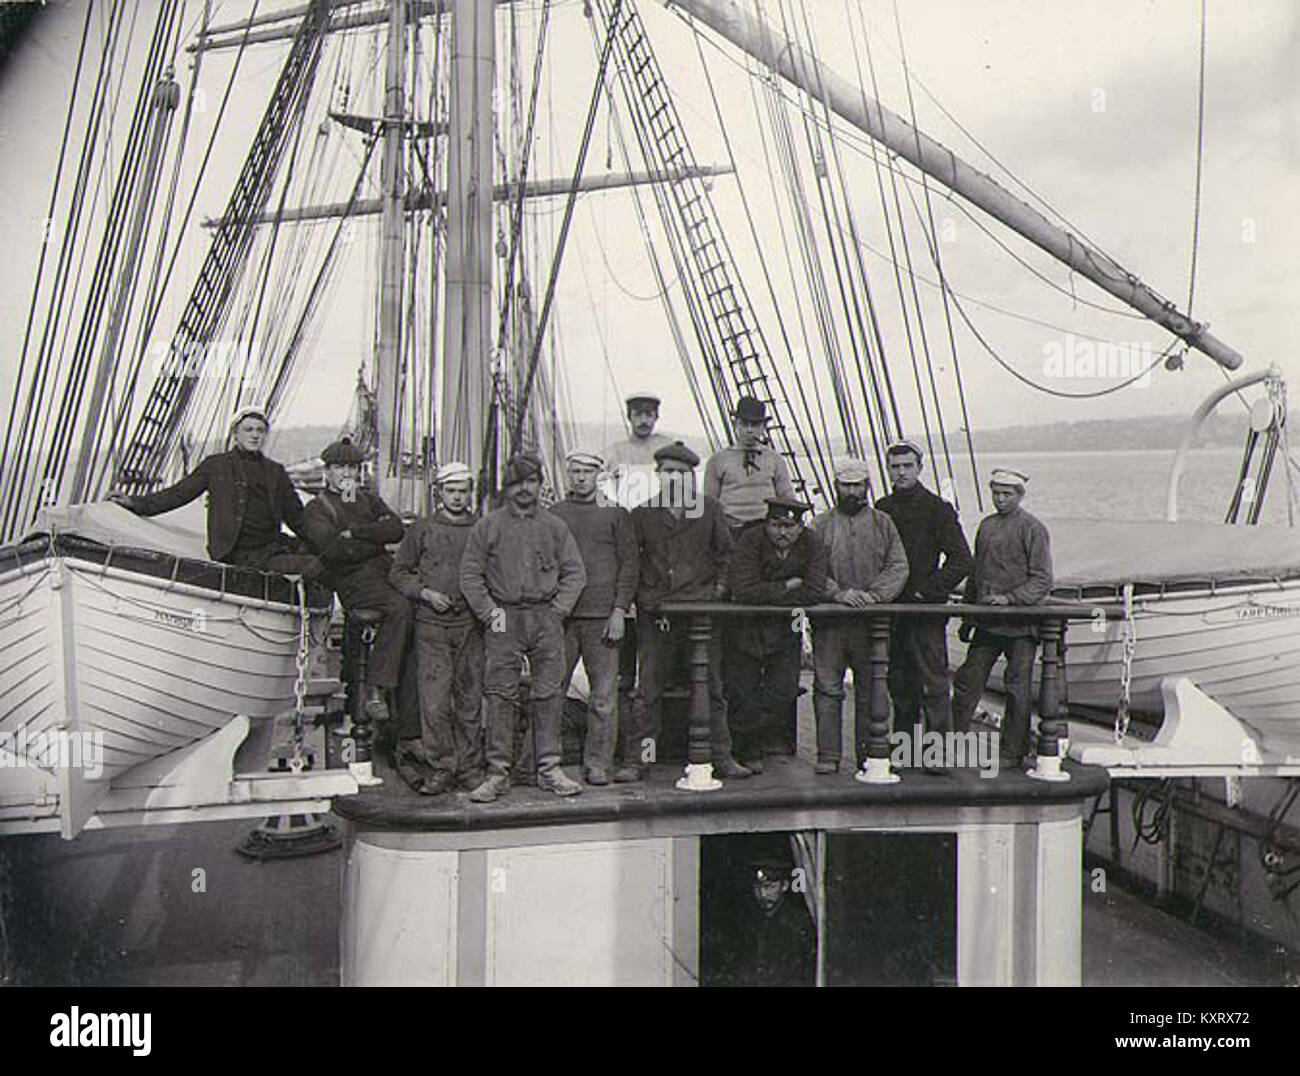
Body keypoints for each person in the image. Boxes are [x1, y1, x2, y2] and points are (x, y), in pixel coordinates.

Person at [459, 452, 587, 803]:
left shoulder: (555, 527)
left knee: (548, 694)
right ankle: (497, 773)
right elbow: (471, 575)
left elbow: (575, 572)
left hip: (545, 617)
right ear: (507, 487)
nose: (524, 490)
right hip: (504, 617)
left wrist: (558, 611)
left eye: (530, 482)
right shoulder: (488, 526)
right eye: (516, 483)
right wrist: (490, 613)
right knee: (501, 695)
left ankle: (549, 769)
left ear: (540, 484)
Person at [621, 440, 751, 782]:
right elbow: (633, 564)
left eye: (681, 473)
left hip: (701, 615)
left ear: (691, 477)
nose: (675, 479)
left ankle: (721, 757)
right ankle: (640, 759)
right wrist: (646, 600)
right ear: (658, 476)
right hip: (658, 615)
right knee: (648, 689)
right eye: (668, 473)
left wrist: (717, 594)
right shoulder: (642, 514)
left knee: (711, 687)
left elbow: (727, 557)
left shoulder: (708, 510)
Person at [108, 405, 315, 572]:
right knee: (315, 567)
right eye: (248, 430)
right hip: (236, 552)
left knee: (327, 561)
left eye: (260, 431)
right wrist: (135, 502)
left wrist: (328, 542)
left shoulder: (275, 472)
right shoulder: (216, 466)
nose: (255, 435)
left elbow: (297, 519)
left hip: (271, 549)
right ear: (235, 434)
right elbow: (178, 494)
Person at [875, 439, 973, 774]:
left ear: (919, 468)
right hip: (890, 609)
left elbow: (961, 560)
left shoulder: (937, 509)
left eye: (907, 466)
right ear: (888, 470)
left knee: (933, 683)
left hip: (925, 611)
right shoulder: (882, 508)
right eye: (895, 467)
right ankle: (904, 750)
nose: (901, 472)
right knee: (899, 683)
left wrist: (927, 591)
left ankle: (937, 754)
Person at [388, 462, 484, 796]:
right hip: (431, 626)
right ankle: (443, 766)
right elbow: (399, 573)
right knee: (434, 702)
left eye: (463, 491)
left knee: (470, 701)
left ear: (470, 492)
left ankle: (470, 768)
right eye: (451, 491)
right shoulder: (422, 530)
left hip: (471, 626)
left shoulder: (482, 529)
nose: (457, 497)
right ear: (439, 492)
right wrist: (425, 593)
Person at [299, 437, 410, 722]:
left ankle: (405, 720)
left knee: (417, 607)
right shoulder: (317, 509)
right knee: (399, 608)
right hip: (352, 581)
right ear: (328, 471)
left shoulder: (367, 499)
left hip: (382, 573)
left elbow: (396, 529)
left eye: (352, 468)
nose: (347, 474)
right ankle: (376, 687)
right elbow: (335, 549)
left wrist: (358, 533)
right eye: (340, 467)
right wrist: (375, 539)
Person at [810, 458, 909, 774]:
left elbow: (898, 566)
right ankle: (828, 755)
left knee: (872, 688)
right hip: (830, 623)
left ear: (867, 486)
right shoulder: (820, 525)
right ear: (836, 486)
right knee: (827, 688)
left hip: (871, 623)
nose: (852, 492)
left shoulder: (884, 523)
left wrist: (875, 595)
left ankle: (869, 754)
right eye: (846, 485)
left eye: (857, 485)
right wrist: (837, 593)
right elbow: (809, 568)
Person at [951, 467, 1053, 768]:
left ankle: (1013, 752)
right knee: (968, 682)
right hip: (987, 622)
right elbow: (976, 574)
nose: (1000, 499)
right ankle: (952, 742)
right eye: (996, 493)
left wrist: (1010, 599)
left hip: (1021, 626)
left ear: (1020, 496)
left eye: (1007, 494)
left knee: (1017, 689)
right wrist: (969, 618)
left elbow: (1042, 579)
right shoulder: (986, 527)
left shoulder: (1033, 529)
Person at [548, 450, 639, 786]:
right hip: (563, 618)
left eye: (588, 471)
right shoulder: (555, 515)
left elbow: (630, 564)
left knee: (603, 698)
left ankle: (597, 763)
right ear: (568, 474)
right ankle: (547, 762)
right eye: (575, 471)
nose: (581, 477)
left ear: (598, 474)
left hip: (603, 618)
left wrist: (619, 611)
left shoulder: (616, 514)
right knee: (552, 691)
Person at [727, 498, 827, 772]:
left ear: (799, 526)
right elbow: (743, 590)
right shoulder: (750, 540)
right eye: (775, 525)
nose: (782, 532)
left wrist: (768, 592)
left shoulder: (812, 542)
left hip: (787, 627)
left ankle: (759, 742)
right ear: (766, 523)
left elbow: (814, 590)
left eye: (789, 526)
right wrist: (787, 585)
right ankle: (748, 751)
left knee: (783, 691)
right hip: (746, 627)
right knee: (742, 691)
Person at [710, 854, 816, 988]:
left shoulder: (798, 922)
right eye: (758, 887)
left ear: (784, 886)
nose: (763, 894)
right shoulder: (745, 919)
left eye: (770, 887)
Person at [704, 395, 796, 538]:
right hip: (729, 531)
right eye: (744, 424)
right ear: (736, 424)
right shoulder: (717, 460)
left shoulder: (775, 459)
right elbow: (709, 503)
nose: (749, 430)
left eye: (755, 425)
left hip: (765, 533)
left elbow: (787, 498)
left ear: (763, 427)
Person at [599, 390, 673, 510]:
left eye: (649, 415)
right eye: (638, 415)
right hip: (626, 517)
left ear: (656, 417)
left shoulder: (668, 448)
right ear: (629, 417)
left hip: (661, 517)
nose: (643, 421)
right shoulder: (614, 453)